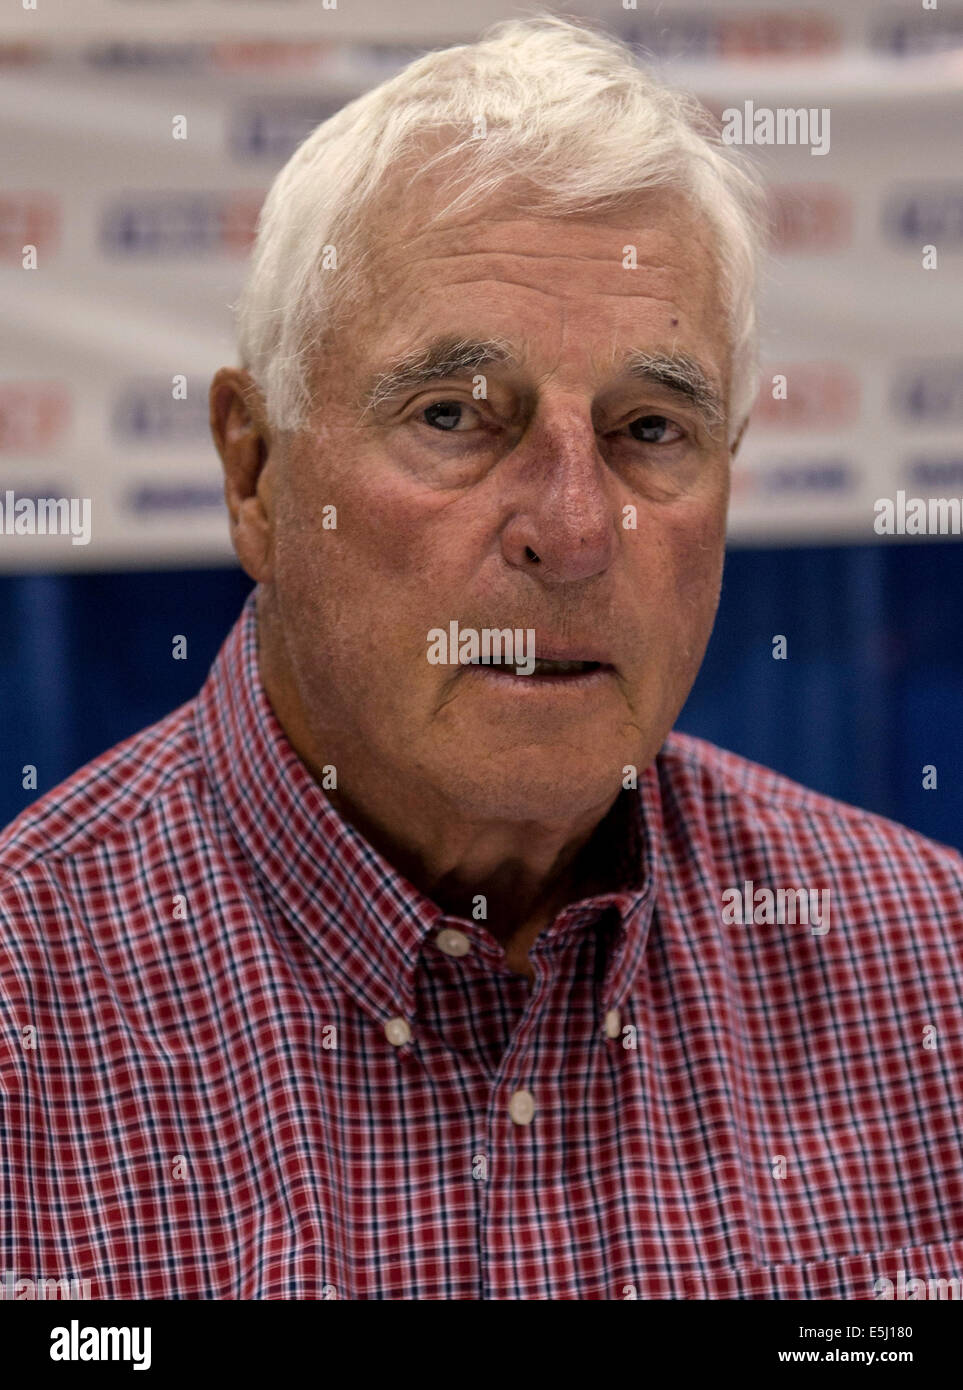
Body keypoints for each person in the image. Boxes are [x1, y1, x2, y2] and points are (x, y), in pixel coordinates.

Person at [1, 15, 961, 1301]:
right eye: (453, 415)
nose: (572, 532)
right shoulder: (27, 1010)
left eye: (650, 427)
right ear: (256, 471)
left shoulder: (928, 979)